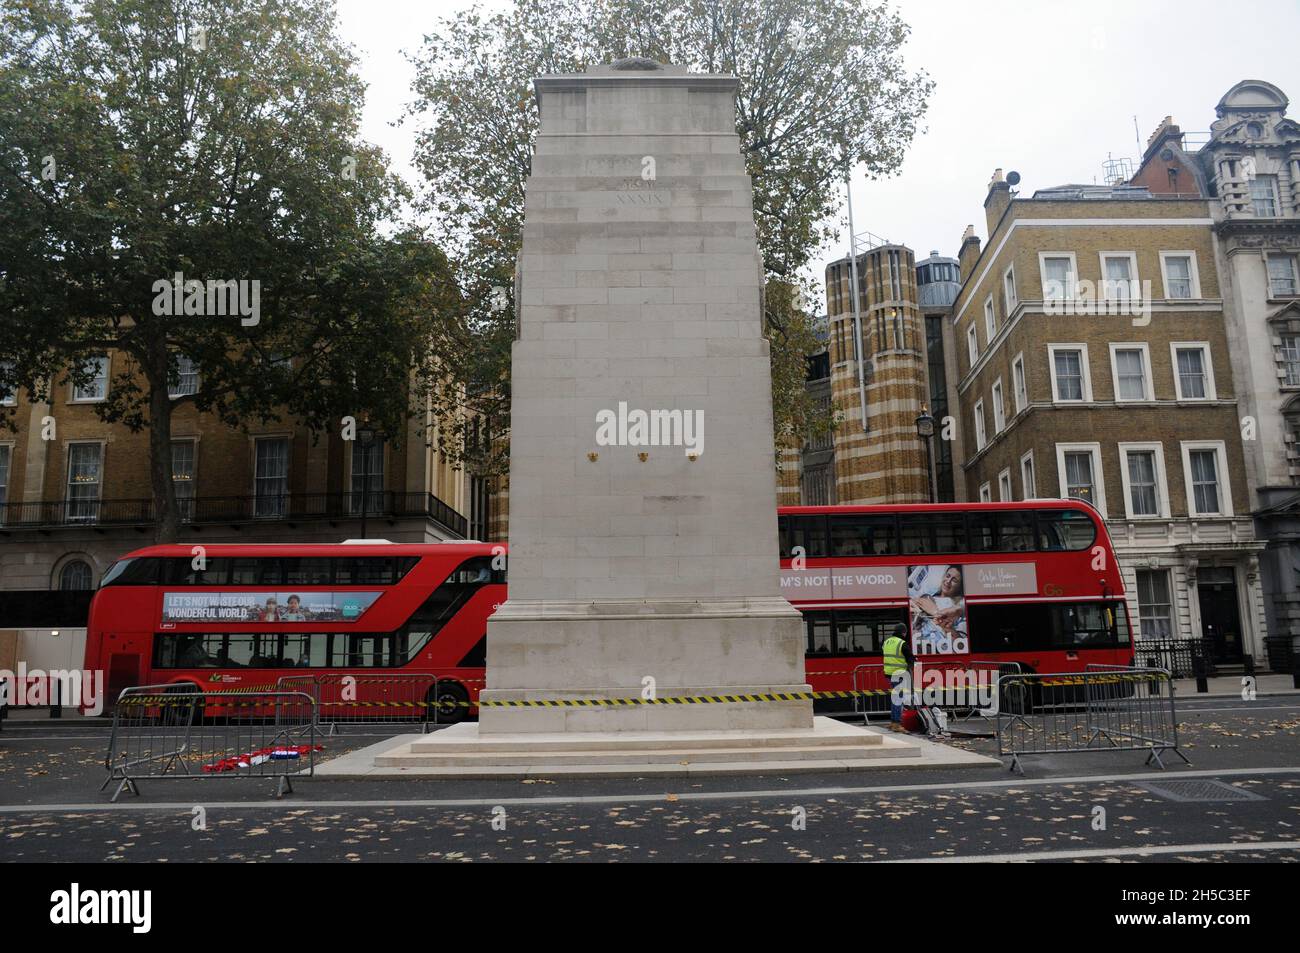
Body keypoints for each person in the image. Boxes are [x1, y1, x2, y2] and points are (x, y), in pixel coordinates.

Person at [881, 623, 914, 732]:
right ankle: (896, 723)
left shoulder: (886, 642)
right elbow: (910, 659)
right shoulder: (902, 643)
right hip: (899, 674)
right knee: (898, 699)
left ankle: (893, 722)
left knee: (895, 698)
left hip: (889, 674)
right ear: (903, 632)